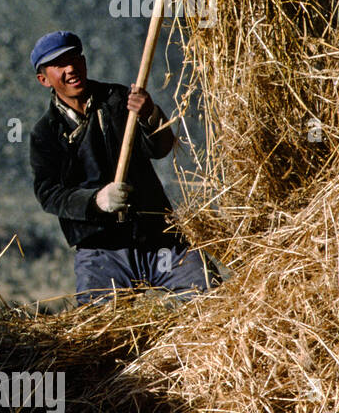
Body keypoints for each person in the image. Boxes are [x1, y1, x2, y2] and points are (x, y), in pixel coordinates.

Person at [28, 31, 212, 304]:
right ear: (44, 79)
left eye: (74, 59)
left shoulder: (119, 100)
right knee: (100, 333)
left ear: (84, 61)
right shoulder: (45, 133)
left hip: (158, 238)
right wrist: (96, 201)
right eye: (59, 65)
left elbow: (160, 148)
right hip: (103, 251)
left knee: (211, 301)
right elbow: (49, 193)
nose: (71, 69)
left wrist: (150, 114)